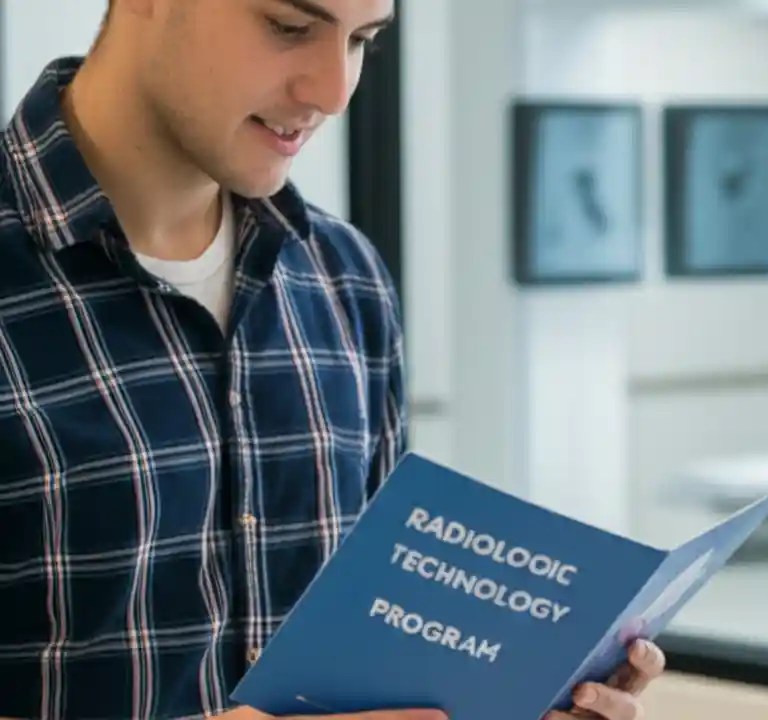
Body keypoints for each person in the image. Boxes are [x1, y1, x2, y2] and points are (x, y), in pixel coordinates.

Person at [0, 1, 665, 719]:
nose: (334, 93)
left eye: (362, 42)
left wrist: (512, 698)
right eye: (289, 27)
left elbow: (381, 653)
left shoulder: (347, 276)